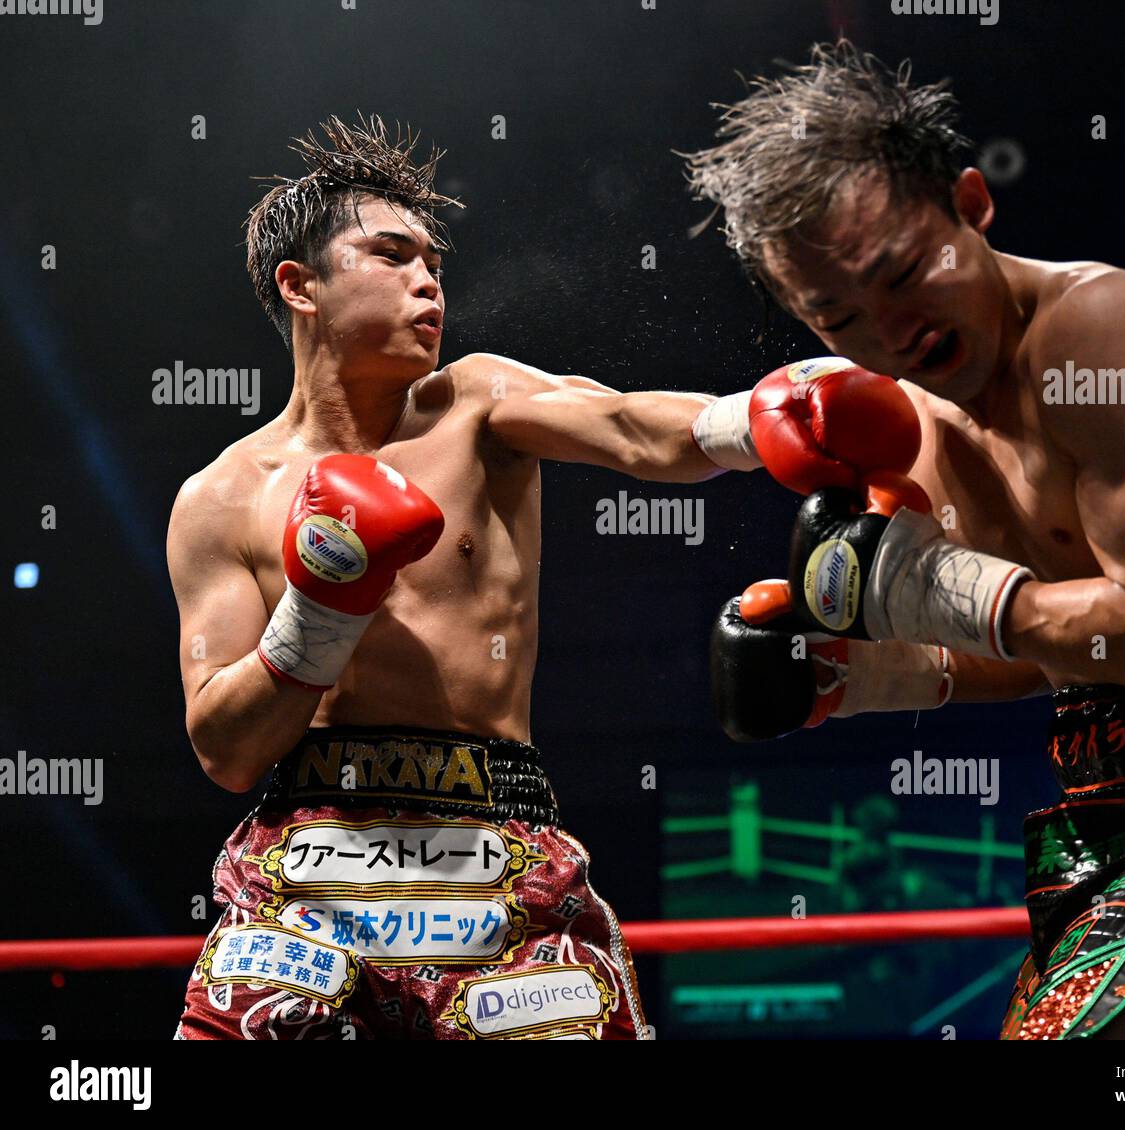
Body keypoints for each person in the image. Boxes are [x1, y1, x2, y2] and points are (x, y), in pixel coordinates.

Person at [690, 43, 1125, 1039]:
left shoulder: (1094, 326)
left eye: (903, 272)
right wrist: (852, 676)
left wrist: (928, 585)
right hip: (1107, 825)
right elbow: (1031, 652)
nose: (893, 329)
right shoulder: (920, 421)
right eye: (840, 314)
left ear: (970, 203)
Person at [168, 115, 760, 1040]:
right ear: (301, 285)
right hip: (306, 873)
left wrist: (764, 420)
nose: (428, 281)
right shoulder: (219, 497)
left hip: (498, 845)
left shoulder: (478, 403)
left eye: (435, 264)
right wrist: (321, 610)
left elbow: (640, 429)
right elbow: (226, 750)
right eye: (393, 255)